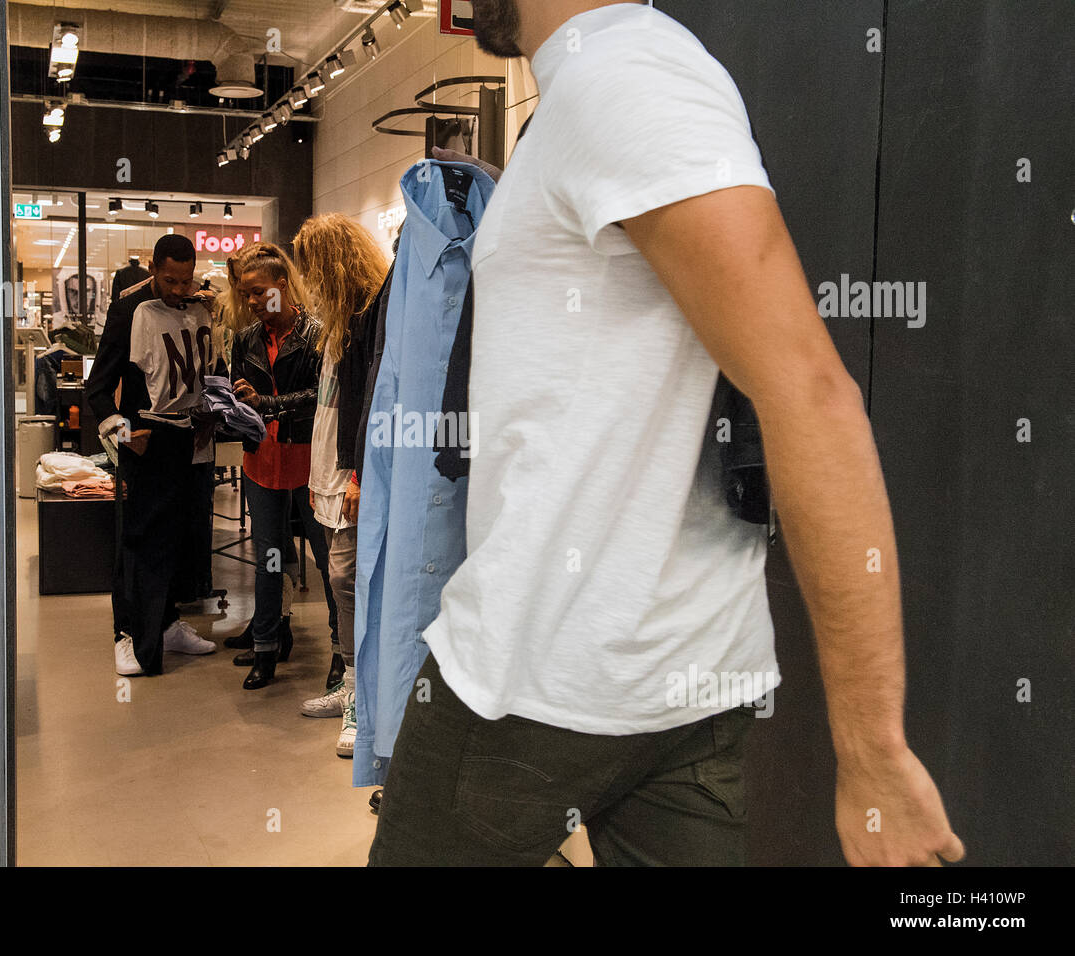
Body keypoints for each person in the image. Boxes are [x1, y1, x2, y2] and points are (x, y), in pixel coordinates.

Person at [368, 0, 963, 867]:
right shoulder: (591, 87)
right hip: (667, 681)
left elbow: (812, 395)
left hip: (533, 682)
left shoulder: (625, 76)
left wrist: (872, 751)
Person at [86, 233, 221, 676]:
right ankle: (125, 634)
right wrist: (124, 433)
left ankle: (166, 624)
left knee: (184, 537)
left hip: (191, 438)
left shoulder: (200, 302)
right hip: (145, 437)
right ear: (152, 267)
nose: (180, 289)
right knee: (139, 542)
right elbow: (98, 388)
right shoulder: (128, 309)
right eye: (171, 280)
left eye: (187, 280)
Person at [292, 214, 391, 757]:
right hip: (330, 471)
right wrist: (320, 475)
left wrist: (355, 474)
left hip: (353, 473)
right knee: (340, 584)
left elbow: (371, 407)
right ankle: (351, 685)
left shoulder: (366, 319)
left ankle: (360, 700)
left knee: (347, 579)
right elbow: (330, 406)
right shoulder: (338, 323)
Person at [229, 242, 339, 690]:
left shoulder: (317, 333)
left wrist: (268, 404)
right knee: (268, 562)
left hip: (310, 465)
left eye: (258, 292)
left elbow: (322, 396)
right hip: (262, 463)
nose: (252, 302)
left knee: (330, 565)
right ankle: (266, 649)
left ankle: (341, 653)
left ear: (282, 285)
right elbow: (245, 397)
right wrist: (231, 403)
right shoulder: (245, 338)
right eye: (246, 294)